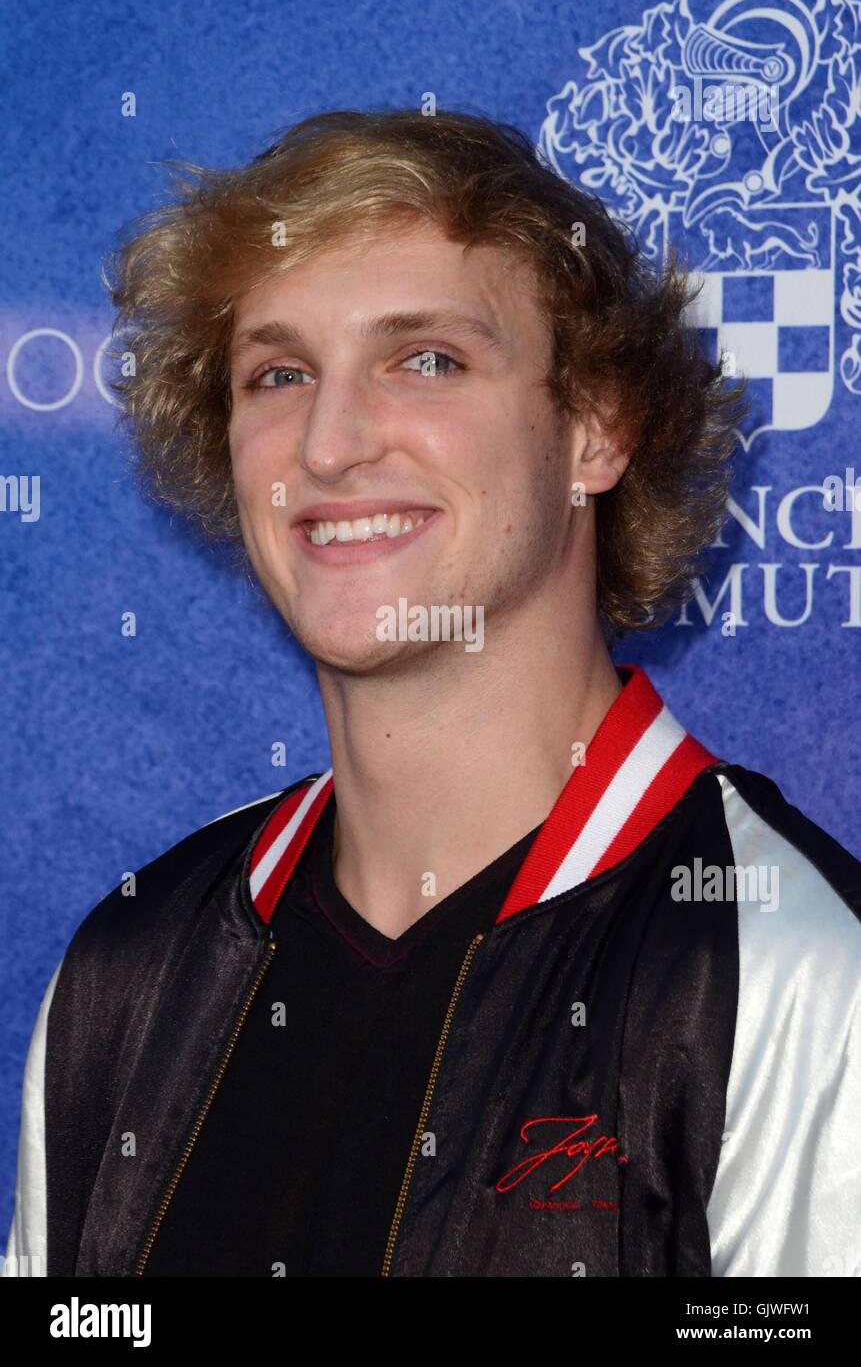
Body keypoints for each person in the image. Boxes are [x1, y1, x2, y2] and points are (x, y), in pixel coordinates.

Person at [4, 109, 860, 1279]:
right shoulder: (134, 963)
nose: (329, 442)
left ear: (597, 428)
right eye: (280, 373)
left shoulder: (786, 967)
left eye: (428, 360)